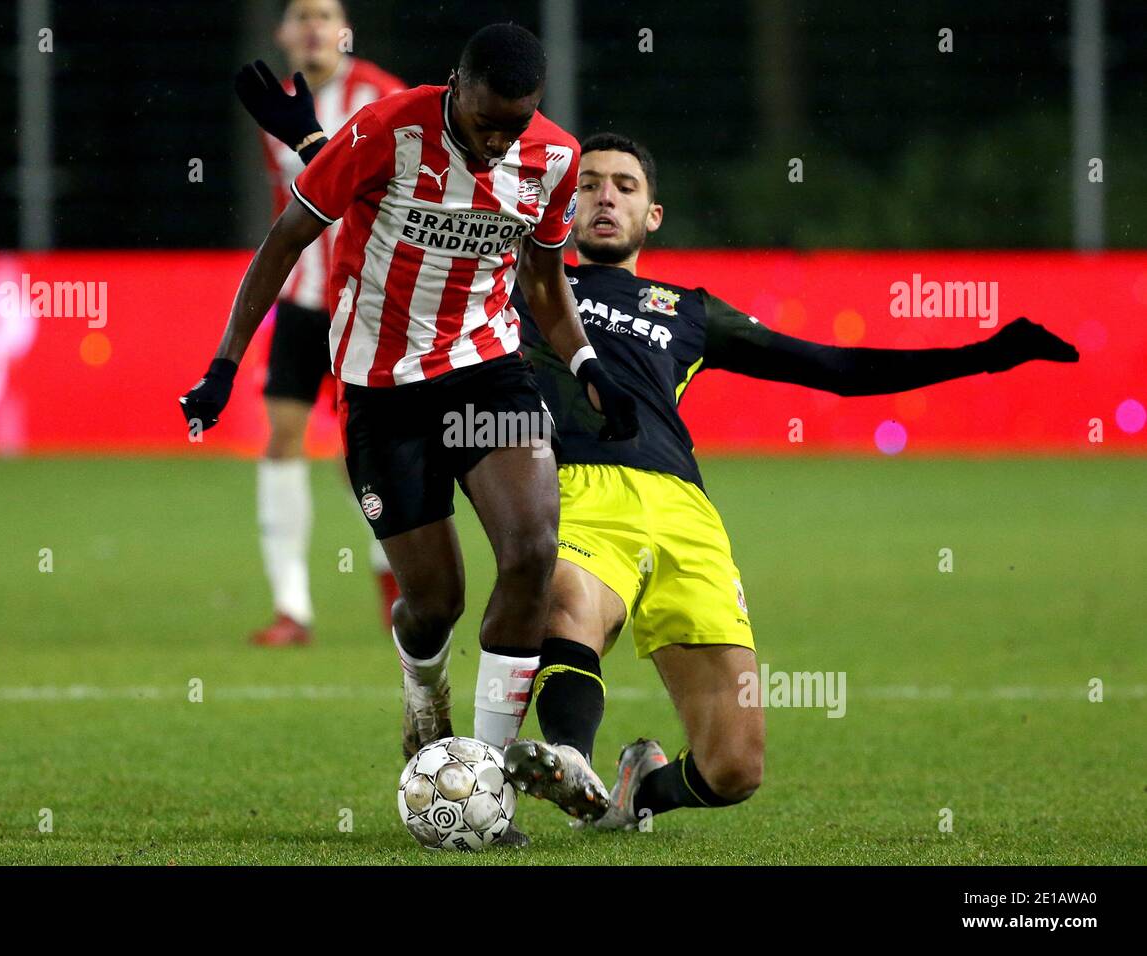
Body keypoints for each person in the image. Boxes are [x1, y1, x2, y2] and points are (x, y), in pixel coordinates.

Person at [495, 132, 1080, 829]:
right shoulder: (523, 291)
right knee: (568, 607)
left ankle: (633, 795)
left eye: (625, 185)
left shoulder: (688, 310)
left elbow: (834, 368)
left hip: (687, 515)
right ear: (562, 203)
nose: (605, 197)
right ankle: (570, 758)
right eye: (588, 184)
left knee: (734, 769)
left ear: (653, 214)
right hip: (583, 492)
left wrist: (982, 356)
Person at [180, 25, 639, 786]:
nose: (499, 141)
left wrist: (588, 364)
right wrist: (224, 365)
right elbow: (287, 239)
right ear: (455, 87)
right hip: (383, 391)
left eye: (515, 123)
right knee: (435, 603)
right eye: (487, 120)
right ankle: (424, 691)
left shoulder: (554, 157)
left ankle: (484, 773)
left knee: (531, 551)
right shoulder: (390, 129)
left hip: (489, 375)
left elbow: (544, 278)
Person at [245, 0, 404, 647]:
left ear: (345, 31)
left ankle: (398, 589)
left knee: (359, 456)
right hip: (304, 300)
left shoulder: (383, 97)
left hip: (367, 303)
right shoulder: (275, 103)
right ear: (283, 34)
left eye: (323, 14)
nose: (312, 27)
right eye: (300, 16)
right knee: (282, 437)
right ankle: (293, 610)